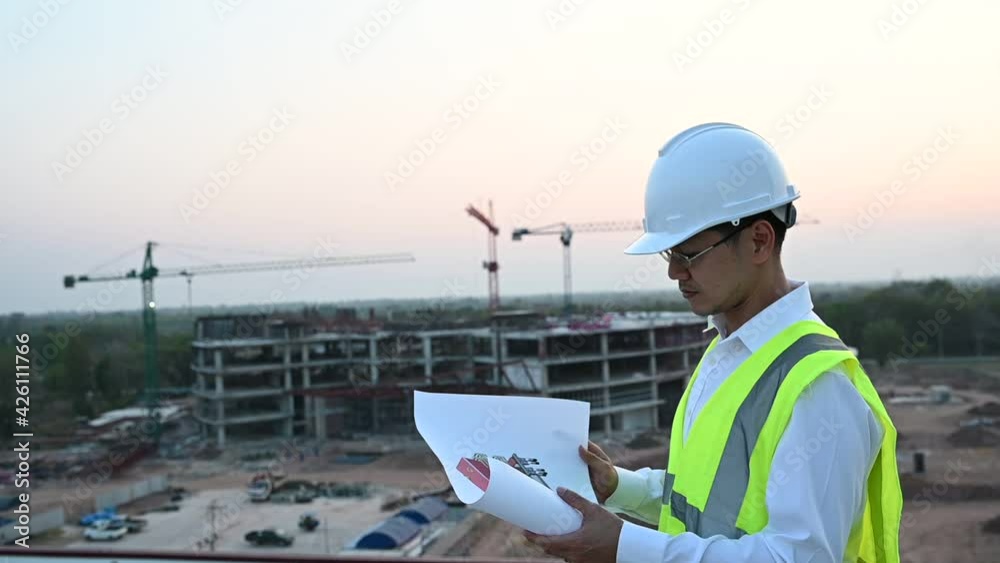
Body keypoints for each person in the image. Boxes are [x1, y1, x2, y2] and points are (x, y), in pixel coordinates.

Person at [523, 123, 902, 563]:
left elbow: (797, 557)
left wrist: (624, 546)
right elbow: (705, 499)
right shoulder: (729, 352)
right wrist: (618, 486)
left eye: (689, 254)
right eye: (670, 254)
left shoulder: (818, 387)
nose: (674, 272)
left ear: (759, 241)